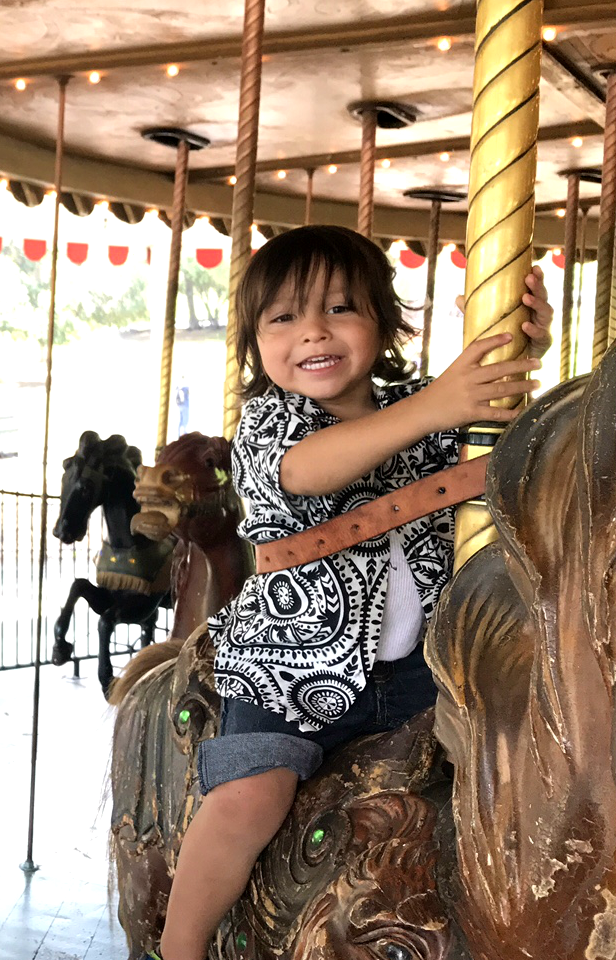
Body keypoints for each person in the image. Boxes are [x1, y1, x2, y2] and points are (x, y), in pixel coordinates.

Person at [152, 225, 553, 960]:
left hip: (422, 675)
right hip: (286, 674)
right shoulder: (270, 423)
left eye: (339, 308)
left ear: (384, 321)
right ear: (255, 344)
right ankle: (179, 945)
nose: (312, 331)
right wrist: (435, 406)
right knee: (249, 796)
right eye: (283, 317)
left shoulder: (424, 408)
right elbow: (311, 471)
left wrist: (517, 337)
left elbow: (497, 425)